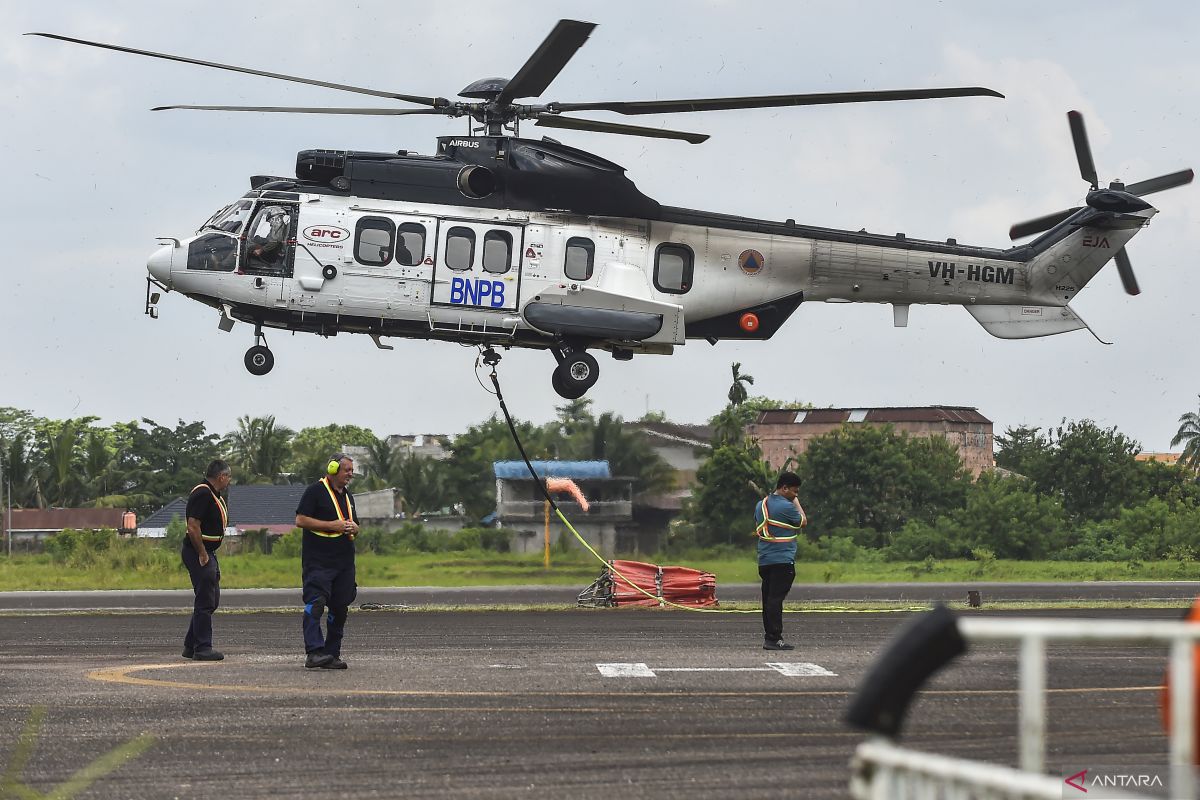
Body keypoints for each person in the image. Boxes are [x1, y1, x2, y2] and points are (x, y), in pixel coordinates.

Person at [295, 454, 360, 669]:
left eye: (352, 470)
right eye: (347, 470)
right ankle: (314, 652)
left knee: (340, 608)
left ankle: (332, 654)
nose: (350, 474)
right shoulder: (315, 491)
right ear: (333, 469)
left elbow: (354, 524)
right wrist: (332, 526)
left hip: (344, 563)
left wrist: (355, 528)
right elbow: (300, 520)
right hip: (319, 561)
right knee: (316, 603)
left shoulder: (348, 496)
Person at [182, 460, 232, 661]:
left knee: (212, 599)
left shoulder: (213, 494)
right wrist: (202, 553)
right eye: (228, 477)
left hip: (208, 552)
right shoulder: (203, 493)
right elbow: (193, 525)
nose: (229, 481)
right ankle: (203, 647)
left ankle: (190, 645)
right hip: (198, 552)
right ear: (221, 476)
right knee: (205, 600)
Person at [754, 471, 807, 651]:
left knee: (768, 600)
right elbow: (803, 521)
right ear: (784, 488)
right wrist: (795, 501)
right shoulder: (787, 506)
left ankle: (769, 637)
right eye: (794, 491)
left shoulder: (761, 504)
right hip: (782, 560)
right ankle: (774, 638)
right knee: (775, 600)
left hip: (765, 560)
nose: (796, 495)